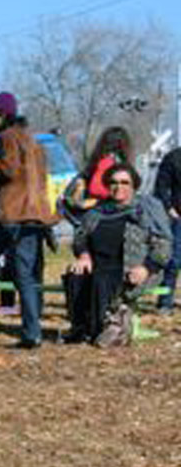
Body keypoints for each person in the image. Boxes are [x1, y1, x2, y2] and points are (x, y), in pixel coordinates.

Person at [0, 92, 56, 349]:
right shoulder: (34, 141)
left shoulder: (7, 137)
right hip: (35, 216)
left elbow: (10, 171)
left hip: (12, 215)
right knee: (27, 275)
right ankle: (32, 332)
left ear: (1, 116)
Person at [69, 164, 171, 346]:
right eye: (113, 182)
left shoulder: (147, 208)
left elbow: (163, 245)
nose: (119, 186)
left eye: (125, 182)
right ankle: (82, 327)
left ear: (134, 185)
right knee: (77, 274)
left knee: (105, 278)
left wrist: (146, 268)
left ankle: (112, 325)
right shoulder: (98, 211)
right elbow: (80, 237)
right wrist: (83, 255)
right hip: (99, 264)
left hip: (135, 266)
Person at [60, 127, 131, 341]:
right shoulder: (114, 162)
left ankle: (87, 325)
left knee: (98, 273)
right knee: (86, 273)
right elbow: (105, 191)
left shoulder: (94, 163)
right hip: (104, 218)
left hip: (95, 223)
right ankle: (89, 325)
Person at [155, 145, 181, 313]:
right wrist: (169, 208)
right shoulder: (173, 158)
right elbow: (161, 187)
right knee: (174, 261)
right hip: (178, 217)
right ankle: (164, 302)